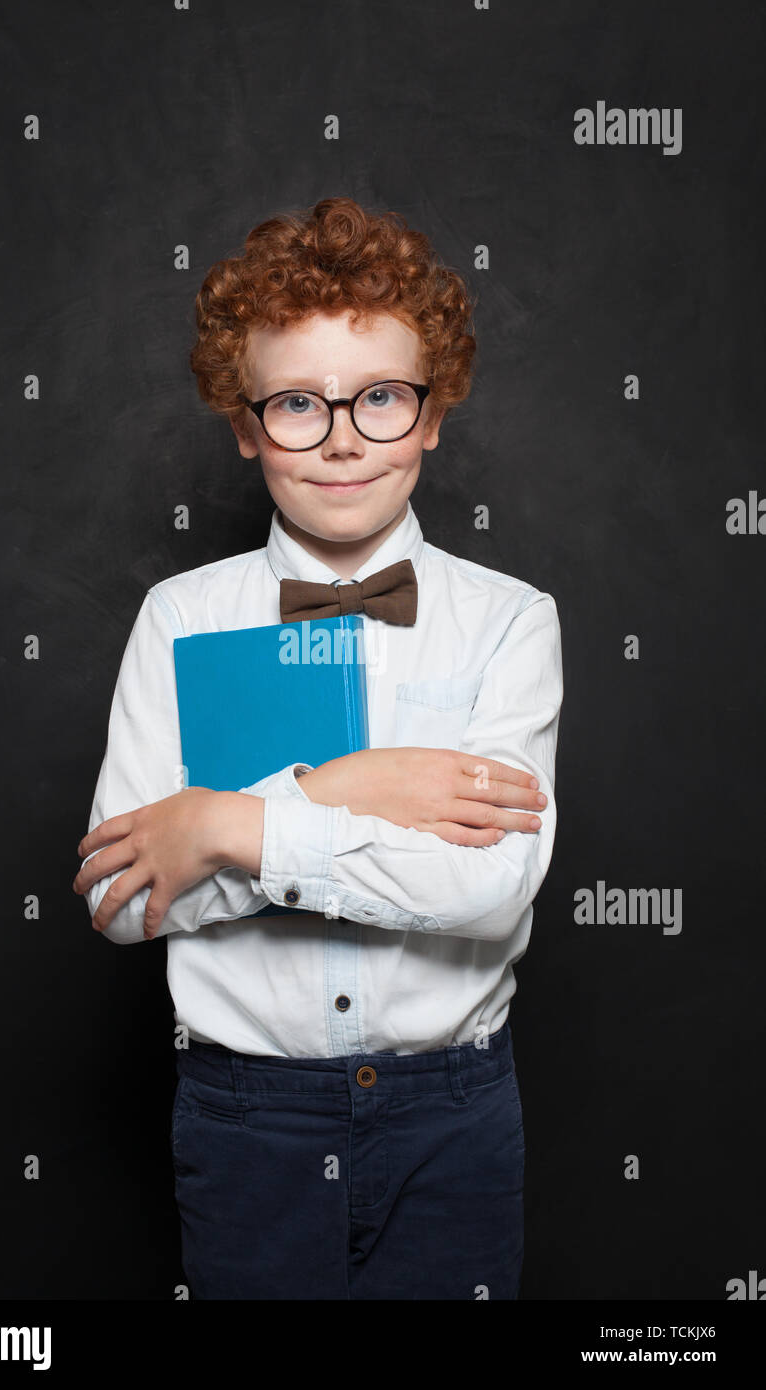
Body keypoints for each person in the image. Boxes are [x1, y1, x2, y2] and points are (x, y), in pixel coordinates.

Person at [72, 195, 563, 1300]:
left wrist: (227, 825)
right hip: (246, 1117)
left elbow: (486, 889)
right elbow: (118, 900)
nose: (342, 437)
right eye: (297, 403)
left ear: (432, 415)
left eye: (380, 398)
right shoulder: (179, 618)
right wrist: (345, 793)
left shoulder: (508, 620)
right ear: (244, 425)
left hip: (454, 1113)